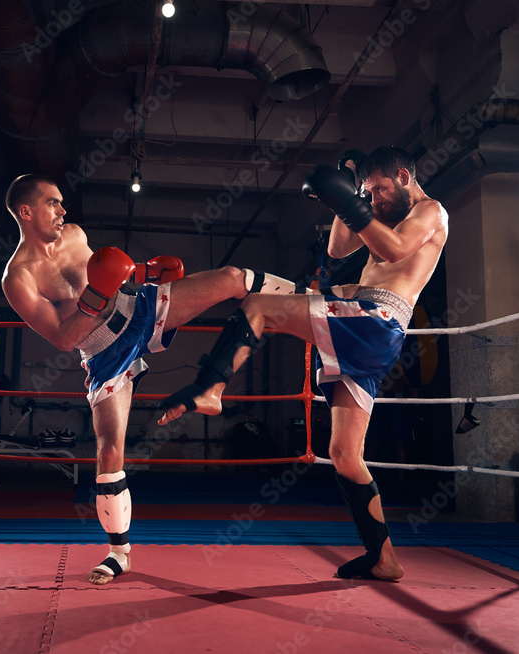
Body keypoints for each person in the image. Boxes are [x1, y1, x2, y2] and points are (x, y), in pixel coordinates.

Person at [158, 147, 448, 580]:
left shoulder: (431, 211)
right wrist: (346, 196)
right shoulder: (381, 214)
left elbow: (394, 252)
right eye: (370, 193)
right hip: (366, 333)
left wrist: (352, 202)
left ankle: (212, 390)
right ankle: (384, 557)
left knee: (257, 305)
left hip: (374, 320)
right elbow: (335, 248)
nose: (378, 200)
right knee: (345, 453)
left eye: (381, 191)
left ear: (405, 176)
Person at [1, 174, 303, 584]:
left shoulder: (74, 234)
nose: (62, 210)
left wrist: (145, 272)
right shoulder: (18, 277)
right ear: (26, 211)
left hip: (140, 309)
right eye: (53, 203)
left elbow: (116, 279)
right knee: (109, 455)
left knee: (234, 278)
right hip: (105, 352)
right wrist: (98, 295)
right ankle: (118, 554)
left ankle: (311, 295)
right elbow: (62, 337)